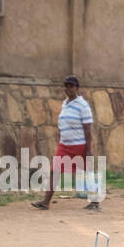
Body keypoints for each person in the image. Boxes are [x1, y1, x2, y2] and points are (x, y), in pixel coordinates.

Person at [32, 75, 97, 210]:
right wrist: (60, 138)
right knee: (54, 170)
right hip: (65, 145)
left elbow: (88, 129)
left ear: (77, 88)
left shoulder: (83, 106)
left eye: (71, 86)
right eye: (66, 86)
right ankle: (45, 202)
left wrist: (89, 149)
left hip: (79, 145)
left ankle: (95, 201)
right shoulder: (65, 103)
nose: (68, 88)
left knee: (87, 171)